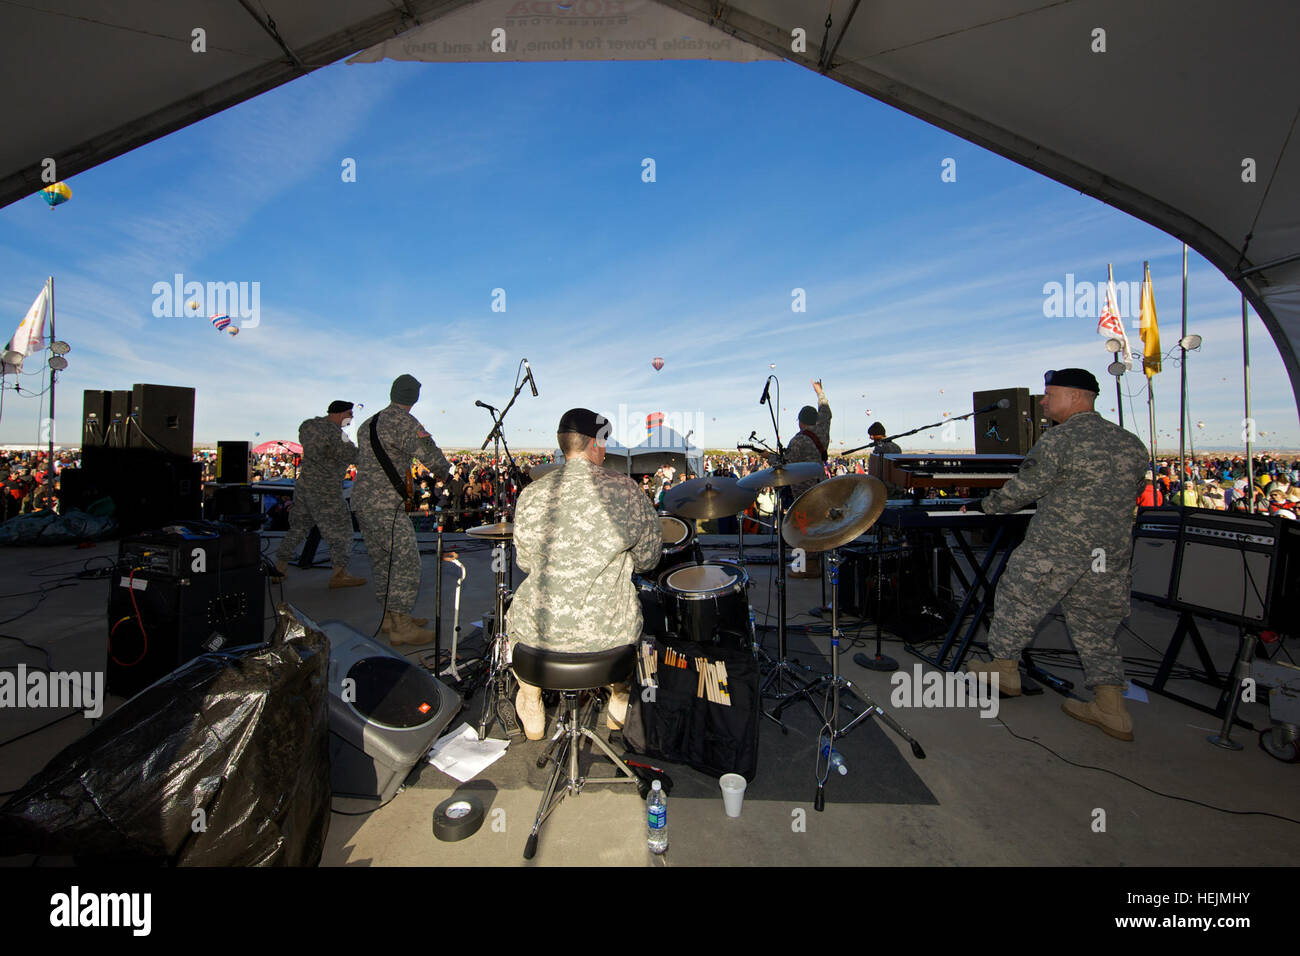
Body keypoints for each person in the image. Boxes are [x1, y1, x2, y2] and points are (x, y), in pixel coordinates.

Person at [966, 368, 1149, 742]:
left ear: (1076, 397)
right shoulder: (1132, 444)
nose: (1044, 402)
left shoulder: (1060, 440)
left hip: (1057, 548)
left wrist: (985, 506)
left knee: (1017, 595)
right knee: (1096, 626)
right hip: (1108, 555)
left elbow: (1022, 491)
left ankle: (1004, 668)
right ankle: (1111, 707)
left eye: (1050, 394)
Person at [506, 408, 661, 740]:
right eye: (604, 443)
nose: (605, 451)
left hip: (537, 644)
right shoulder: (628, 490)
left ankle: (531, 698)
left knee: (519, 619)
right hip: (608, 642)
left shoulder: (531, 494)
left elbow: (525, 564)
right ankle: (618, 701)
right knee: (630, 635)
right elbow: (649, 561)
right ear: (594, 444)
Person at [354, 374, 452, 645]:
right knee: (407, 561)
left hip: (362, 501)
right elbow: (428, 451)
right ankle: (401, 625)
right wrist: (448, 476)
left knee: (383, 561)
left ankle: (389, 615)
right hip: (385, 504)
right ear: (414, 397)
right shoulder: (403, 421)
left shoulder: (367, 423)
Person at [271, 401, 365, 588]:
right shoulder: (338, 435)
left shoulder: (308, 426)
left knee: (298, 529)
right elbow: (355, 456)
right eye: (349, 413)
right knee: (342, 531)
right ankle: (339, 574)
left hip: (305, 488)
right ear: (340, 414)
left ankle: (279, 569)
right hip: (326, 491)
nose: (351, 417)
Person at [783, 378, 831, 576]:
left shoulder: (798, 440)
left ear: (801, 421)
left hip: (803, 492)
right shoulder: (822, 432)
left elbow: (785, 465)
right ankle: (816, 564)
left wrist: (769, 457)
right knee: (817, 526)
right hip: (820, 487)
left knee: (801, 528)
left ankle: (805, 568)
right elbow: (826, 413)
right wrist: (820, 392)